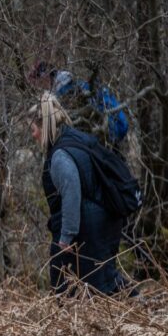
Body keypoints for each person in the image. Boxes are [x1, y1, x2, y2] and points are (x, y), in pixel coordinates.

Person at [30, 91, 135, 296]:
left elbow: (72, 193)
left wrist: (66, 237)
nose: (33, 135)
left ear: (44, 127)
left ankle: (141, 306)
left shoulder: (59, 156)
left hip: (91, 227)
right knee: (105, 280)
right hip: (105, 220)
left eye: (33, 129)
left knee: (69, 283)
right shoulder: (75, 138)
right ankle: (142, 305)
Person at [28, 61, 128, 148]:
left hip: (110, 132)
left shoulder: (65, 91)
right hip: (113, 129)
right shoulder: (74, 81)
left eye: (39, 83)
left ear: (45, 77)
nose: (40, 88)